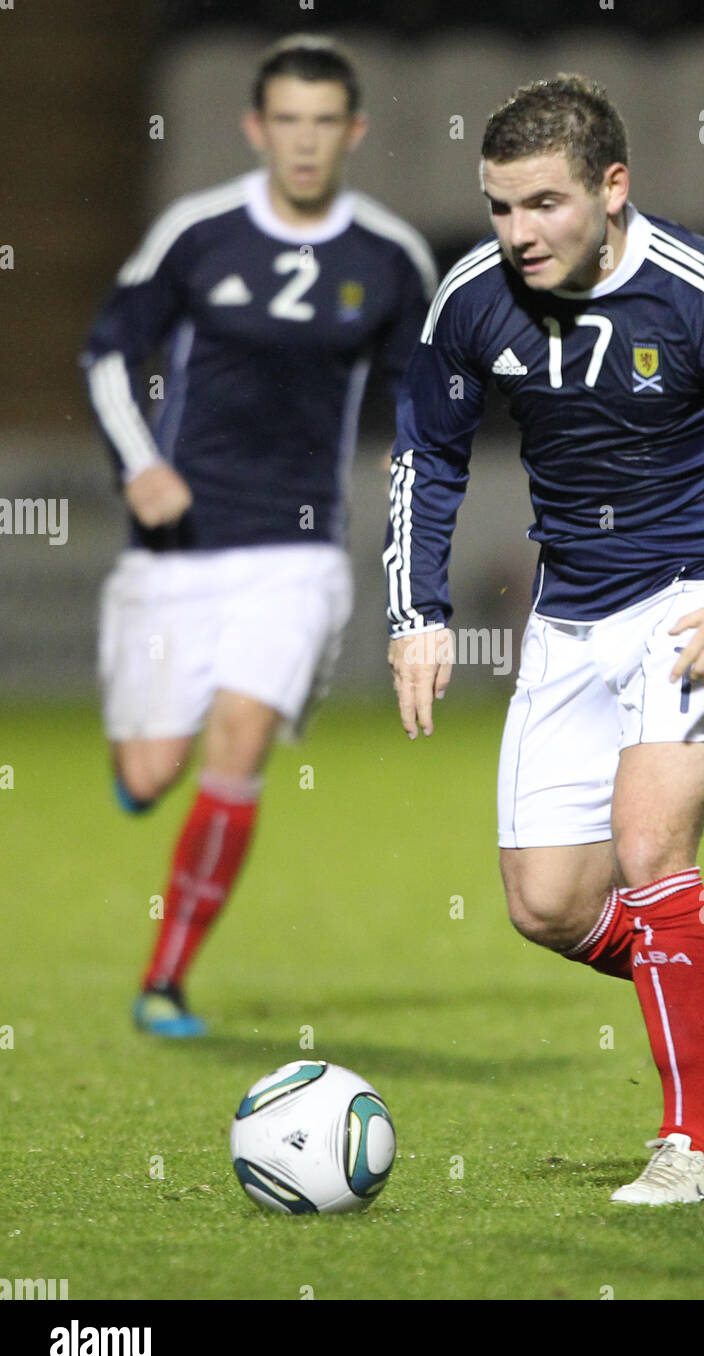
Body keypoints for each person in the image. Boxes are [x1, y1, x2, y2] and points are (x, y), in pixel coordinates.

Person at [384, 75, 704, 1204]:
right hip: (568, 612)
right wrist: (417, 613)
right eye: (500, 207)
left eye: (543, 204)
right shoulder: (470, 298)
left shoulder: (703, 293)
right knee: (546, 904)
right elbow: (427, 451)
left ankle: (687, 1147)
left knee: (651, 848)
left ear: (612, 187)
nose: (518, 233)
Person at [83, 35, 437, 1036]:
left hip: (298, 547)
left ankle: (165, 980)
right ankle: (141, 768)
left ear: (353, 132)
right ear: (256, 128)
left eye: (325, 122)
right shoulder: (198, 235)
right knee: (153, 772)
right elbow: (109, 351)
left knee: (238, 741)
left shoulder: (387, 254)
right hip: (178, 544)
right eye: (287, 120)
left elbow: (424, 377)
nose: (306, 141)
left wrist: (409, 444)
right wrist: (138, 467)